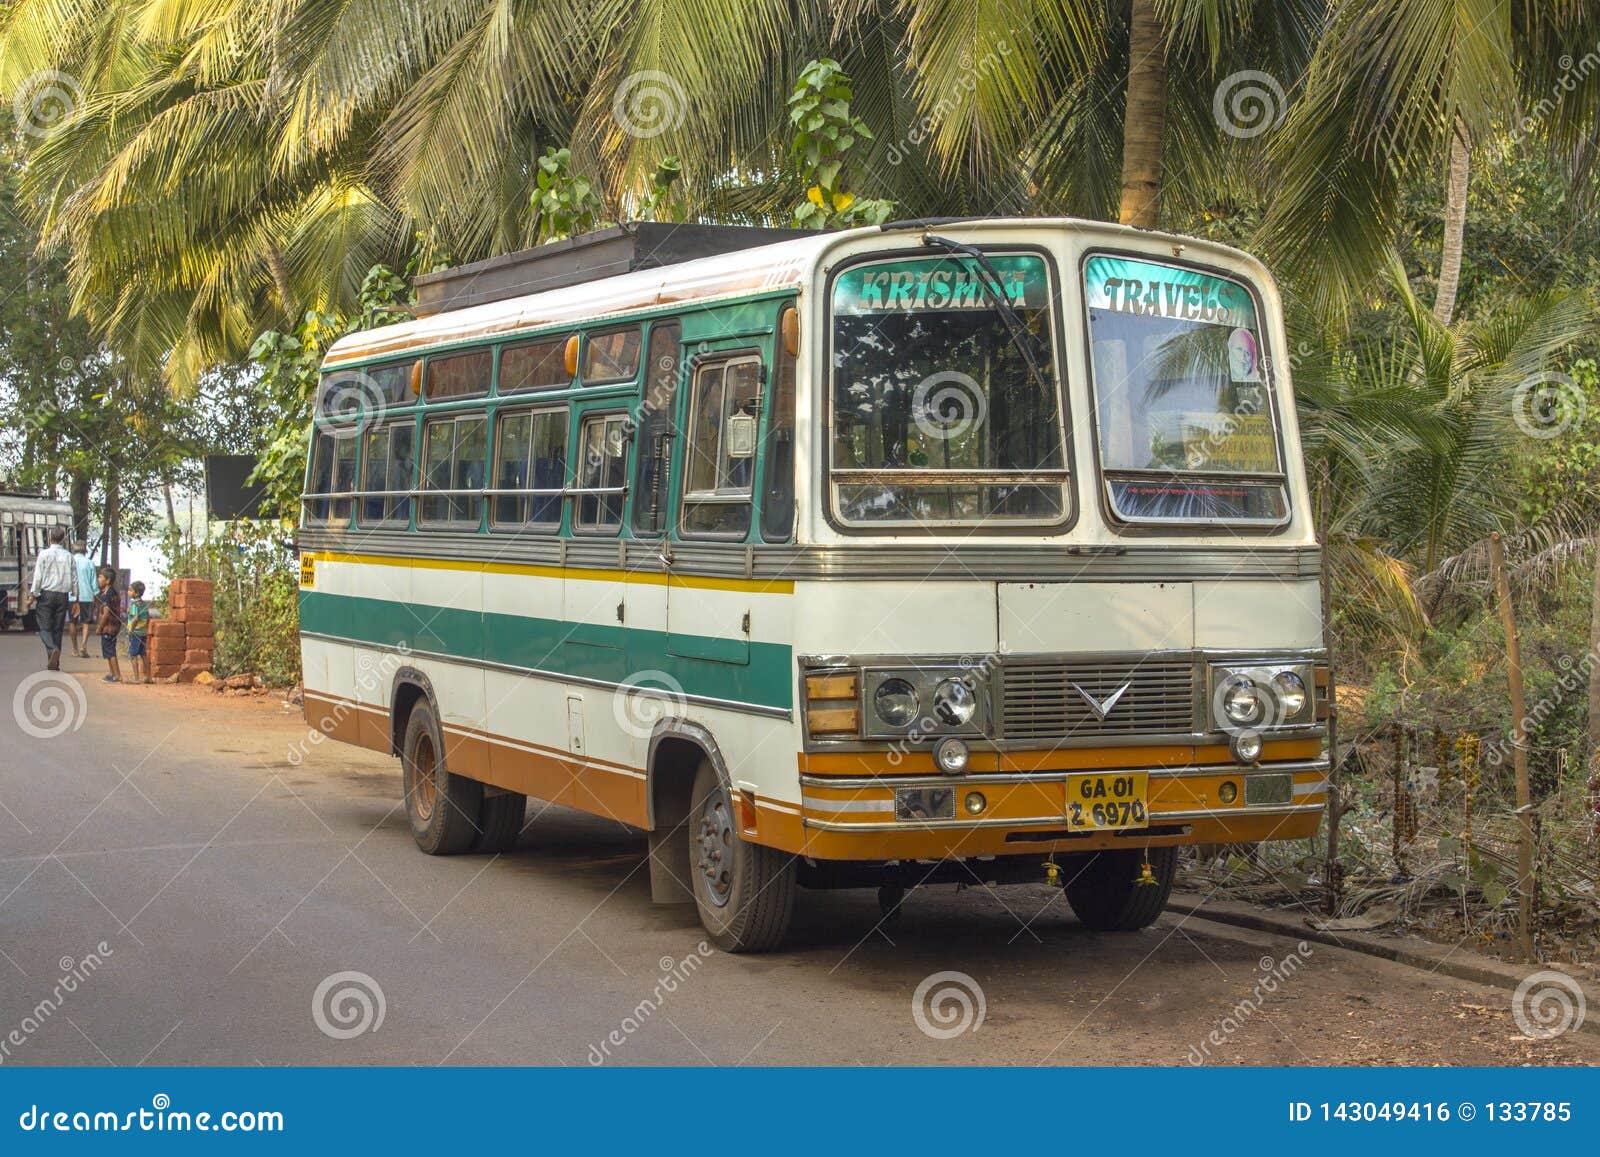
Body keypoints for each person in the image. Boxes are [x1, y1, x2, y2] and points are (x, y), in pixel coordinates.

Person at [28, 527, 74, 670]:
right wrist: (76, 598)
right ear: (63, 539)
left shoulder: (44, 554)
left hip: (47, 594)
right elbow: (74, 579)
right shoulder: (69, 556)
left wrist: (32, 595)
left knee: (44, 627)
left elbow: (38, 577)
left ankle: (52, 648)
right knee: (57, 629)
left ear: (49, 538)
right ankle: (55, 663)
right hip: (63, 596)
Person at [93, 566, 124, 683]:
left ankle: (117, 675)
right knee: (107, 650)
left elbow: (106, 614)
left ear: (107, 580)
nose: (98, 579)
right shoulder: (110, 592)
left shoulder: (107, 594)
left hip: (109, 626)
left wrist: (99, 627)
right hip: (113, 626)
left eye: (100, 577)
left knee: (110, 651)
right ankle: (112, 674)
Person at [70, 542, 97, 658]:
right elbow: (93, 581)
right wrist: (95, 594)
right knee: (86, 622)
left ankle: (75, 649)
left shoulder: (69, 562)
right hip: (87, 595)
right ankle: (83, 646)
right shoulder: (89, 563)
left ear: (73, 550)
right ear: (85, 551)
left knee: (72, 622)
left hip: (72, 596)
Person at [125, 581, 151, 684]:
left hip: (135, 632)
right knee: (143, 655)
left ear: (136, 593)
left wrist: (131, 629)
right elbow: (147, 617)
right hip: (143, 632)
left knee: (133, 655)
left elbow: (135, 619)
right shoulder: (143, 604)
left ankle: (136, 678)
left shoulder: (134, 604)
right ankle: (149, 677)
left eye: (130, 590)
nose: (128, 592)